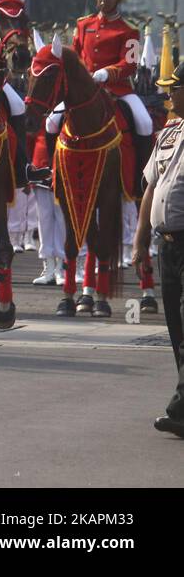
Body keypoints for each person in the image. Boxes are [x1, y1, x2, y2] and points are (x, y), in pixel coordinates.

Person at [133, 62, 184, 438]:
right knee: (176, 328)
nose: (167, 96)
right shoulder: (169, 132)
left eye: (173, 89)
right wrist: (137, 241)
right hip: (166, 246)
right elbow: (150, 185)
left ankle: (180, 409)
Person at [69, 0, 153, 188]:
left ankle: (141, 180)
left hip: (118, 89)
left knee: (145, 122)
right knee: (51, 121)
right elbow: (74, 54)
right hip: (84, 90)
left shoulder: (129, 30)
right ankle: (51, 171)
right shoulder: (83, 25)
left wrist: (108, 73)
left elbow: (130, 64)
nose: (103, 0)